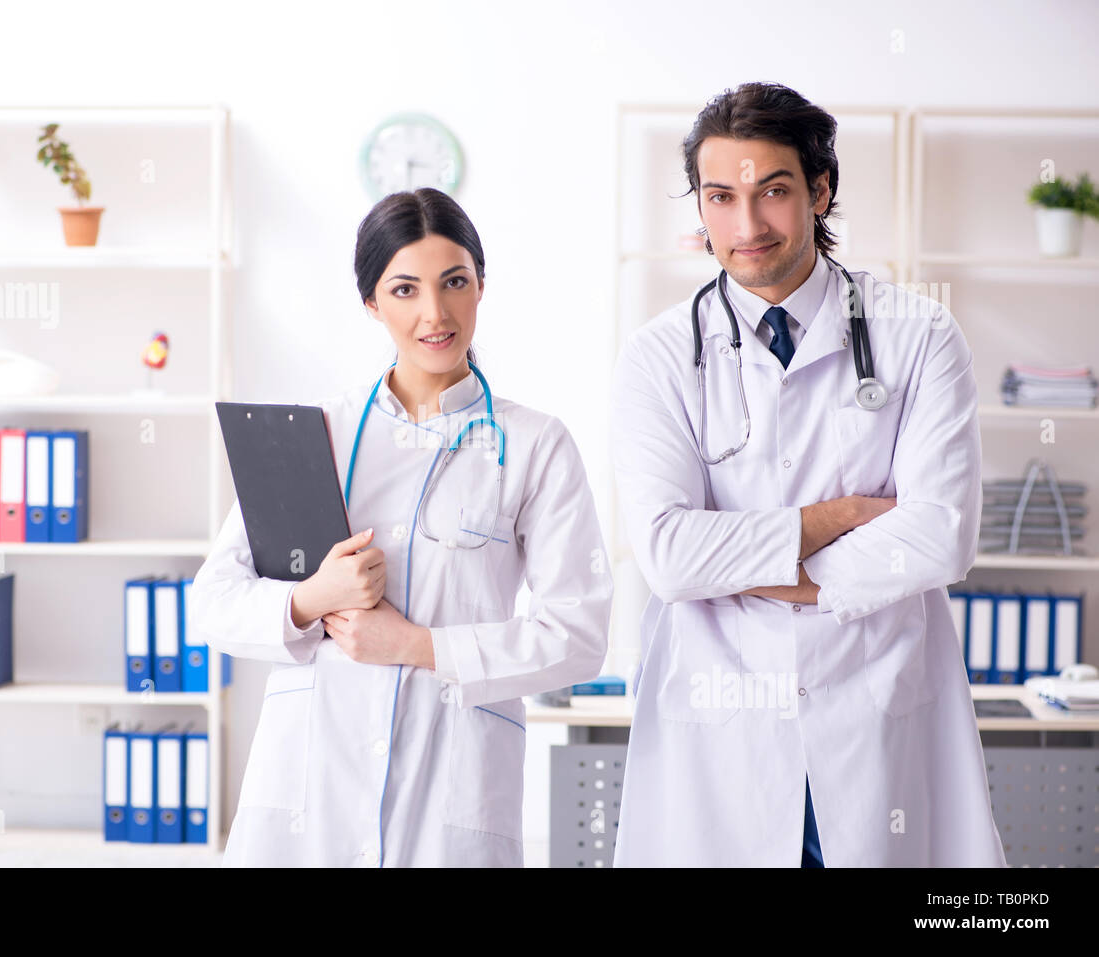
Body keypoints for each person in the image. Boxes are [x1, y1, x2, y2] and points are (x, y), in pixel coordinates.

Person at [610, 82, 1006, 867]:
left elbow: (941, 536)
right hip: (722, 740)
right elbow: (668, 557)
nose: (746, 225)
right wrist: (844, 518)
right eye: (720, 197)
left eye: (774, 192)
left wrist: (745, 564)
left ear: (821, 191)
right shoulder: (658, 356)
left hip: (875, 718)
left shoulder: (918, 334)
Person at [190, 187, 613, 867]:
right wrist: (311, 597)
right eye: (405, 289)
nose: (434, 313)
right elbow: (210, 602)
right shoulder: (315, 432)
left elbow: (579, 635)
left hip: (450, 794)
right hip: (308, 792)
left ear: (481, 284)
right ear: (371, 303)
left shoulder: (535, 444)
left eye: (454, 282)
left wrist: (420, 646)